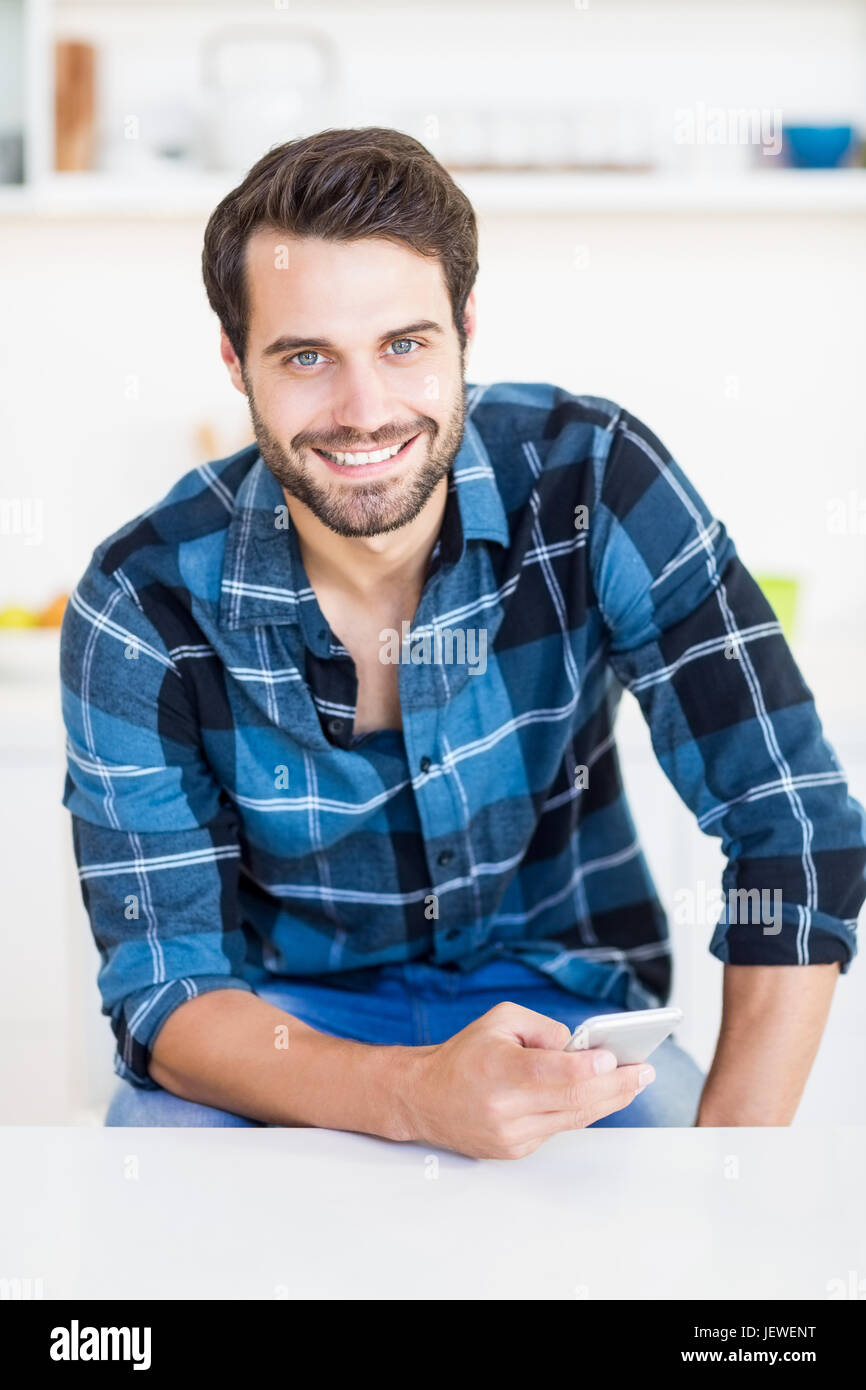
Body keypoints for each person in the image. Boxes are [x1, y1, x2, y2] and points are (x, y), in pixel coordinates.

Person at [60, 128, 865, 1158]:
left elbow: (791, 821)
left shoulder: (592, 482)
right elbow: (168, 991)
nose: (364, 412)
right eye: (305, 356)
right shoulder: (140, 604)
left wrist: (729, 1176)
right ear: (235, 362)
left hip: (558, 1009)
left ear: (463, 329)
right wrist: (410, 1093)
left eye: (403, 344)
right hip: (273, 1033)